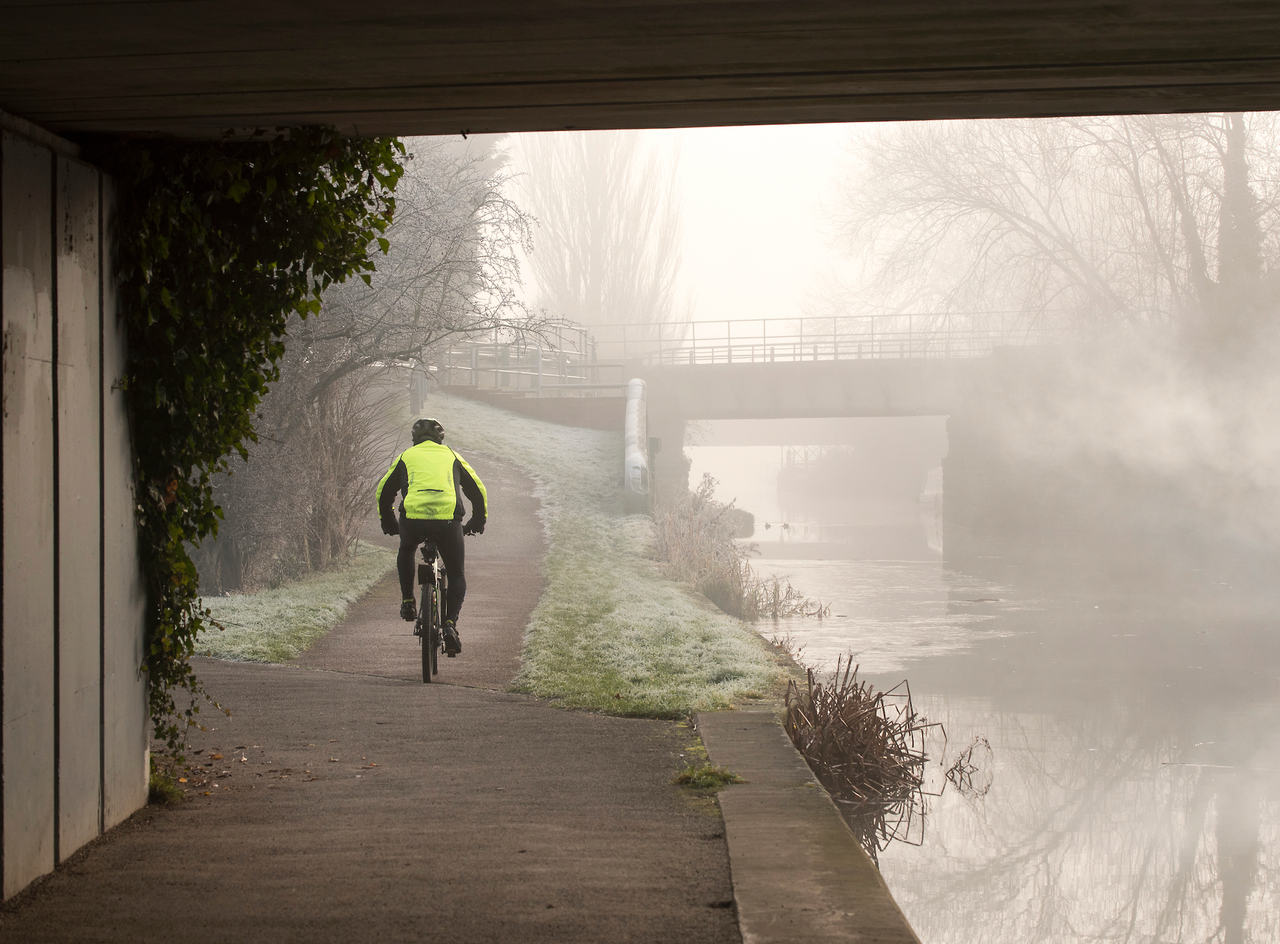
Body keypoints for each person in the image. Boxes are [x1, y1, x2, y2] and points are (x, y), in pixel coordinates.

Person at [376, 417, 486, 655]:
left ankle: (407, 602)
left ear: (415, 439)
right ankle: (449, 624)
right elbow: (477, 490)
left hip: (413, 519)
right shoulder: (451, 455)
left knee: (406, 549)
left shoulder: (407, 456)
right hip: (448, 520)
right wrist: (477, 521)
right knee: (456, 573)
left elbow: (384, 491)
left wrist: (388, 521)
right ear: (440, 438)